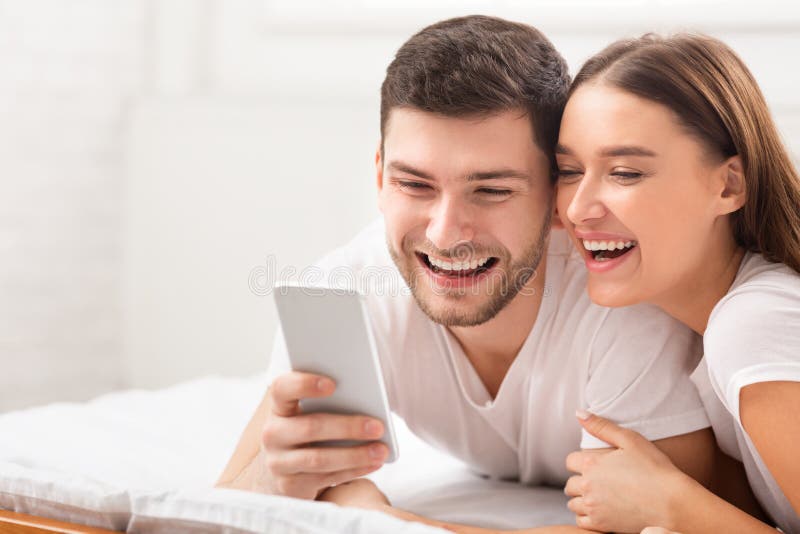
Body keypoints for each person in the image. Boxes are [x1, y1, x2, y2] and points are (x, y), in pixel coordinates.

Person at [216, 17, 719, 532]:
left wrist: (377, 519)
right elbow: (222, 501)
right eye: (414, 184)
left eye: (492, 191)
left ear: (556, 198)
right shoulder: (345, 296)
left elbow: (667, 522)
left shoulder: (623, 300)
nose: (445, 234)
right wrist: (274, 483)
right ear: (379, 177)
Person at [555, 33, 800, 533]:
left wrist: (673, 504)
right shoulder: (700, 331)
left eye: (624, 172)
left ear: (728, 185)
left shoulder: (751, 324)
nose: (578, 208)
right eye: (567, 171)